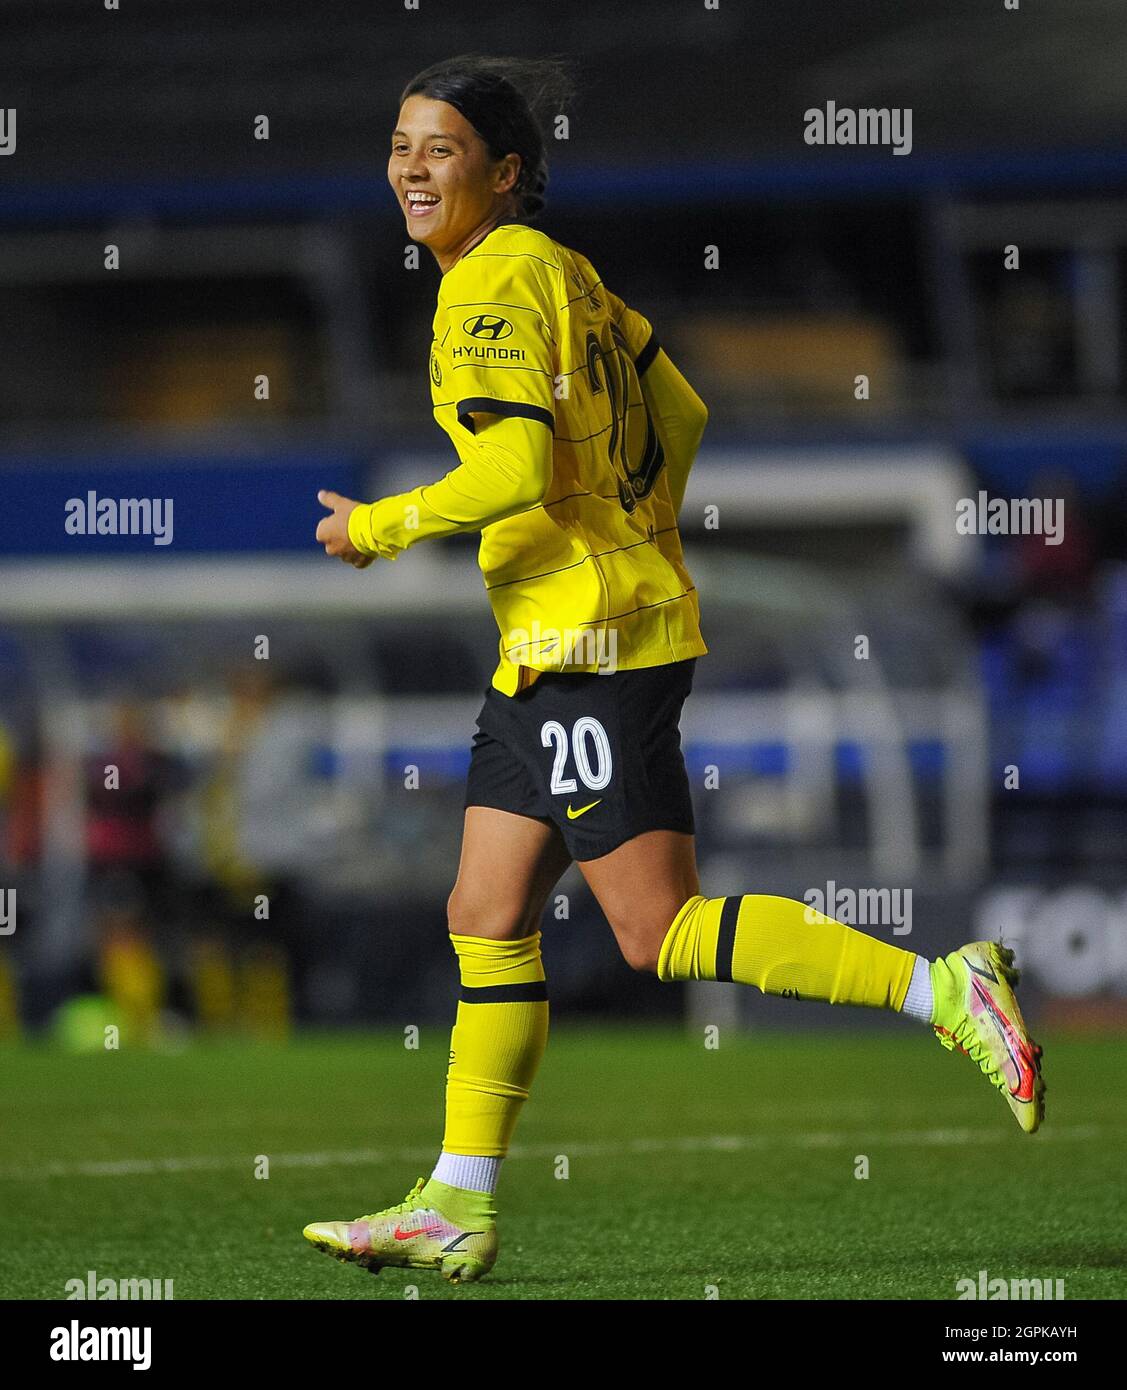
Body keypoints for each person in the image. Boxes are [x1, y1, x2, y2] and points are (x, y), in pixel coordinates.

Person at [306, 54, 1044, 1286]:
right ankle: (454, 1196)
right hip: (561, 642)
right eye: (399, 146)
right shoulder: (568, 274)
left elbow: (515, 470)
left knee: (654, 930)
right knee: (483, 915)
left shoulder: (486, 286)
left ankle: (944, 987)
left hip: (589, 643)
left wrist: (375, 528)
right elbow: (681, 410)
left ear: (504, 172)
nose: (411, 169)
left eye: (438, 149)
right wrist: (636, 528)